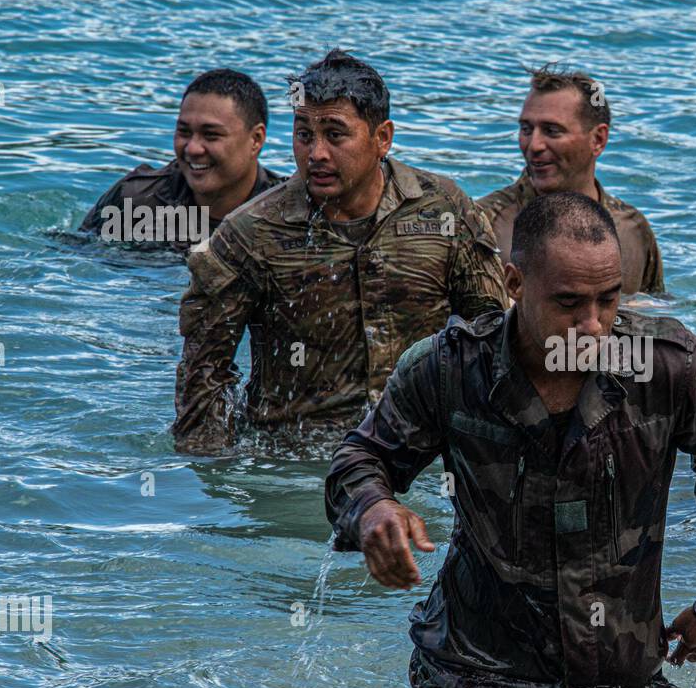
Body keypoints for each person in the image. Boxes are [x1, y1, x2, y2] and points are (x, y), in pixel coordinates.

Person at [324, 191, 696, 688]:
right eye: (568, 302)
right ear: (514, 283)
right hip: (471, 676)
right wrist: (373, 509)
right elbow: (359, 460)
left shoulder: (672, 368)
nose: (592, 324)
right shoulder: (448, 368)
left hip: (620, 679)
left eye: (608, 298)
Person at [173, 50, 507, 455]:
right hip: (293, 459)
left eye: (335, 134)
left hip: (420, 452)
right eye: (304, 135)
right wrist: (212, 484)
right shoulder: (250, 233)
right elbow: (203, 375)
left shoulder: (445, 212)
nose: (316, 154)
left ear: (382, 137)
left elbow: (491, 341)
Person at [478, 65, 664, 296]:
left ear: (598, 139)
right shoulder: (484, 224)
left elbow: (657, 318)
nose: (534, 145)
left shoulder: (632, 230)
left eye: (552, 131)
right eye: (526, 129)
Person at [79, 69, 283, 252]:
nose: (192, 148)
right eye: (184, 132)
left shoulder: (290, 215)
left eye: (211, 135)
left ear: (256, 139)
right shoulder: (136, 200)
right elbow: (77, 258)